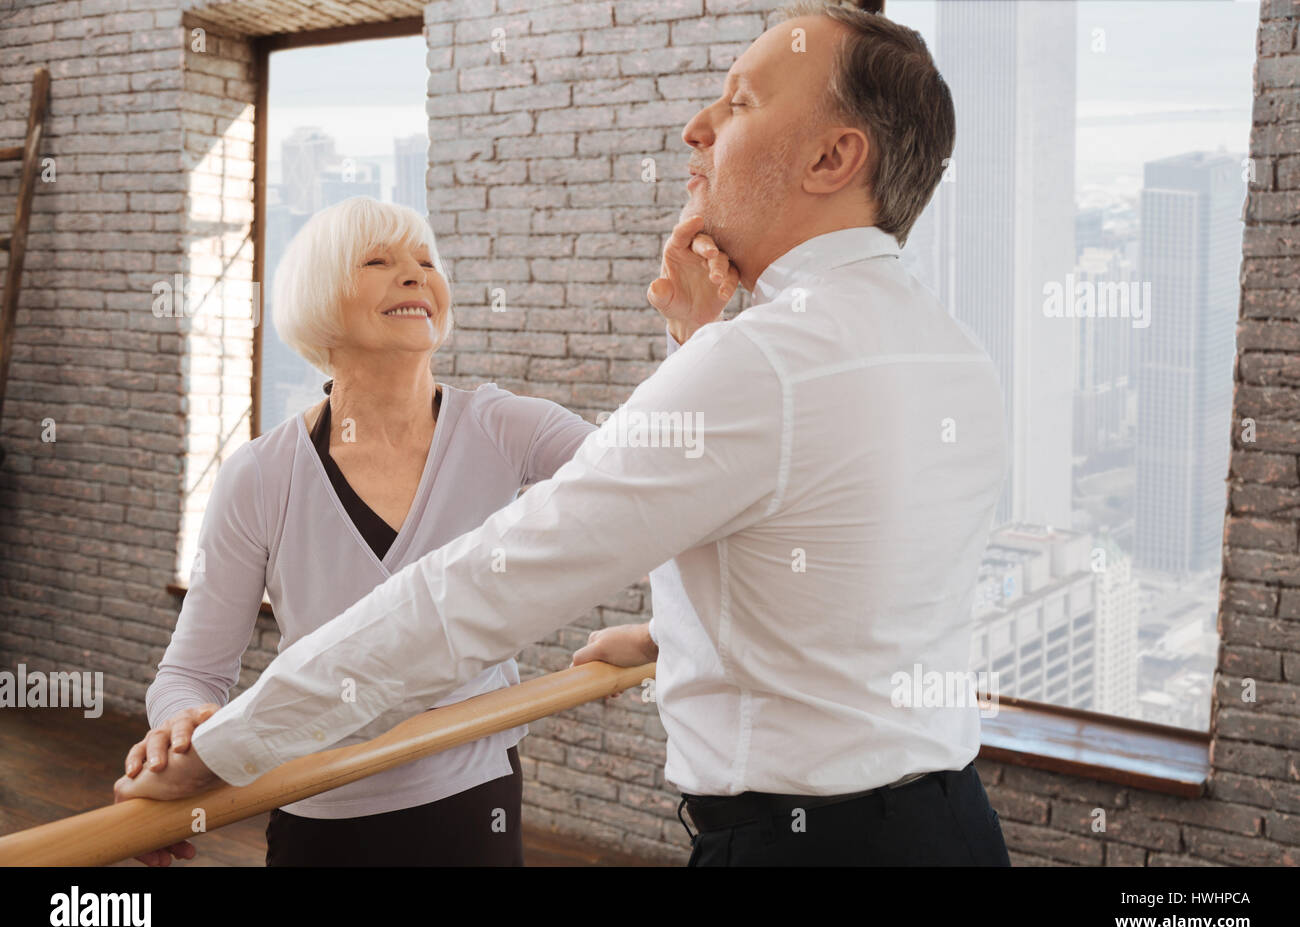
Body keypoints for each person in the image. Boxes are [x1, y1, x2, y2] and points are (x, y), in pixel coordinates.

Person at [118, 1, 1011, 867]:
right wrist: (677, 635)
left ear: (832, 156)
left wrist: (227, 748)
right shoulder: (952, 350)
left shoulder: (759, 363)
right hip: (952, 825)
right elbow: (813, 563)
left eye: (738, 101)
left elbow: (483, 586)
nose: (698, 128)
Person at [116, 194, 738, 866]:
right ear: (320, 301)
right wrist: (179, 734)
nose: (415, 275)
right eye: (379, 261)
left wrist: (692, 335)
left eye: (425, 261)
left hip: (473, 800)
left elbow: (654, 483)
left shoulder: (503, 427)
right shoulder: (261, 476)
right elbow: (193, 671)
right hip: (318, 809)